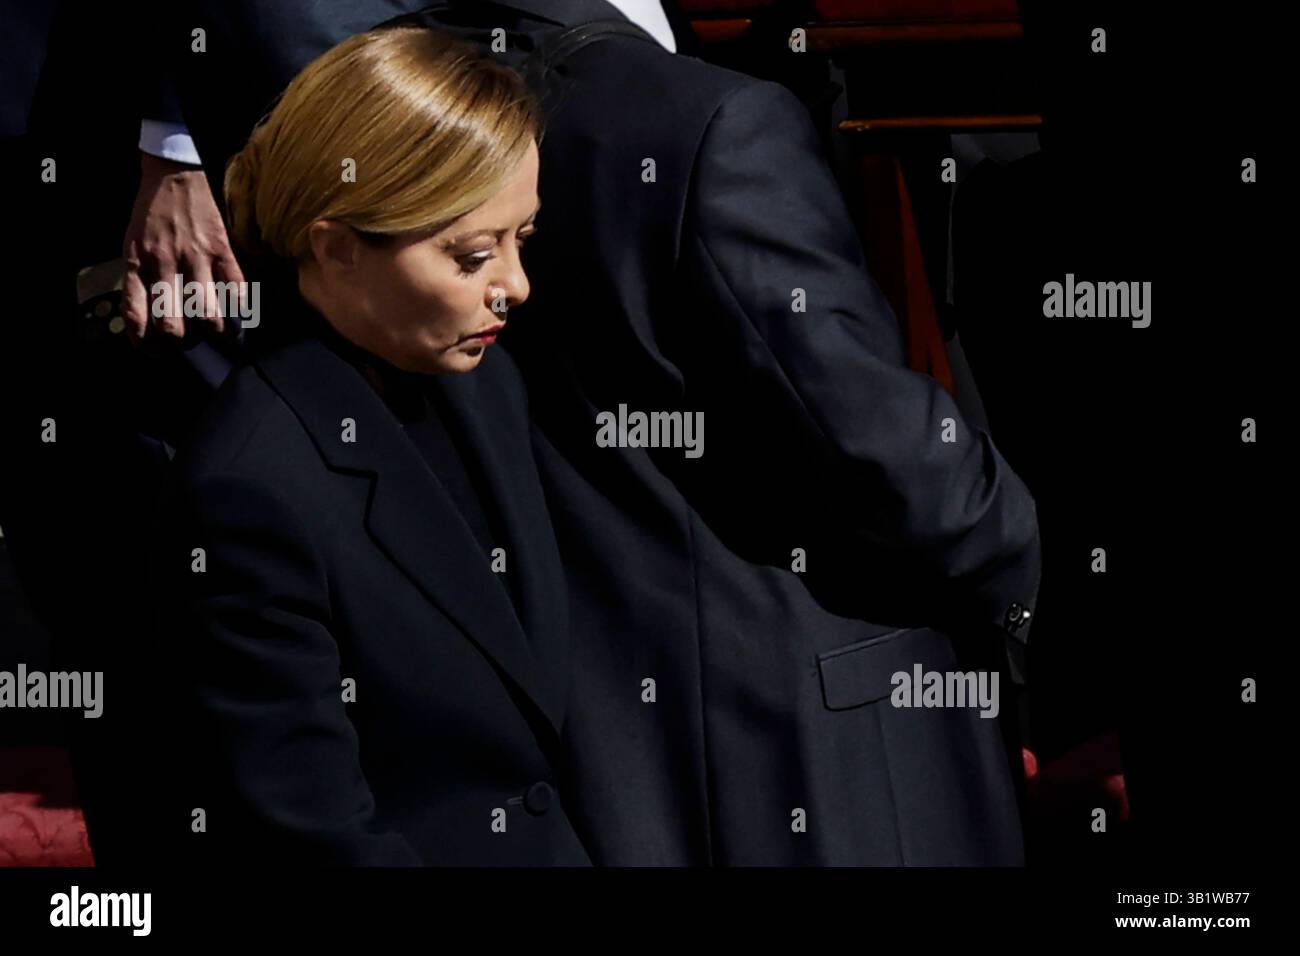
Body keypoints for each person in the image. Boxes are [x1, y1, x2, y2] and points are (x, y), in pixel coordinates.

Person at [149, 26, 589, 866]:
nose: (516, 286)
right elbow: (309, 835)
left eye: (521, 240)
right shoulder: (250, 491)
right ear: (336, 247)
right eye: (472, 255)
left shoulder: (483, 380)